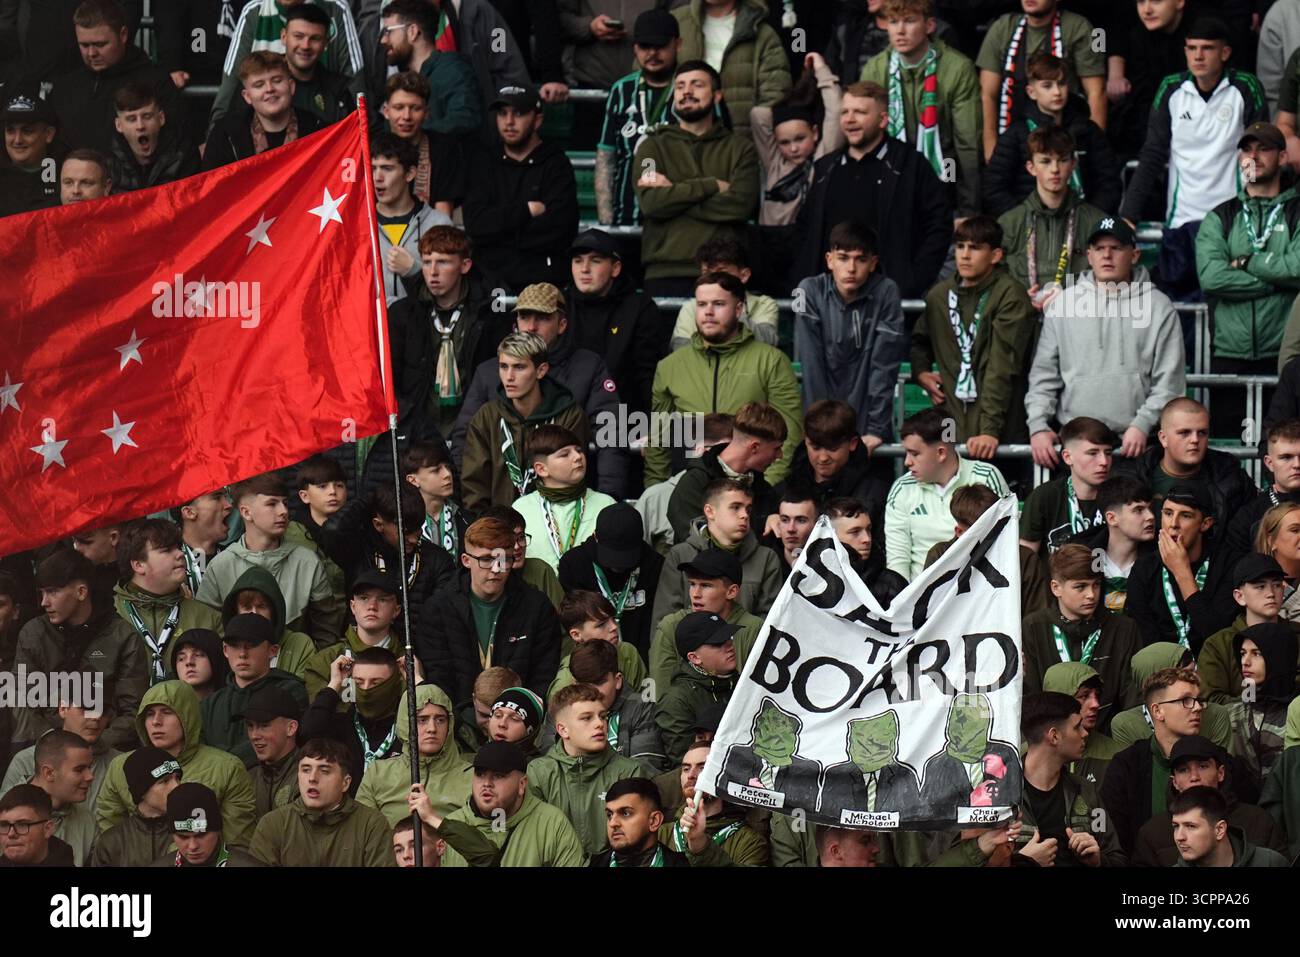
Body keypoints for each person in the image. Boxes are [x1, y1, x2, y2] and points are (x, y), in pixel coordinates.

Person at [1120, 18, 1267, 302]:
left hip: (1230, 222)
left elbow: (1254, 154)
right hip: (1181, 222)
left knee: (1223, 307)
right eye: (1191, 48)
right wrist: (1129, 214)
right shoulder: (1171, 89)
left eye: (1207, 48)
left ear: (1225, 53)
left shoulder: (1246, 87)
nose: (1198, 56)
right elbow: (1152, 154)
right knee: (1180, 311)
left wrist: (1254, 207)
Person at [1026, 217, 1186, 466]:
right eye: (1099, 249)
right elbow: (1043, 376)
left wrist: (1143, 424)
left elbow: (1170, 384)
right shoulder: (1064, 305)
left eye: (1116, 248)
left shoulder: (1159, 307)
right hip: (1076, 442)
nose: (1107, 255)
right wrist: (1037, 425)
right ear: (1089, 255)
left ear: (1134, 255)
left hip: (1135, 445)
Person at [452, 281, 628, 499]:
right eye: (524, 316)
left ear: (562, 324)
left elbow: (610, 433)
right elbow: (464, 439)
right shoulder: (489, 371)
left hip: (564, 503)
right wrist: (470, 509)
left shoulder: (588, 367)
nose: (531, 326)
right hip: (499, 509)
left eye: (542, 318)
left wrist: (609, 498)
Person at [795, 80, 951, 300]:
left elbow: (938, 225)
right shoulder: (825, 168)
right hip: (828, 302)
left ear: (883, 120)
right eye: (845, 112)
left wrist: (911, 282)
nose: (849, 119)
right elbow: (805, 229)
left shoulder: (911, 165)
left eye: (859, 112)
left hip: (889, 301)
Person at [645, 272, 803, 485]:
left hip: (752, 486)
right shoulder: (669, 366)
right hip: (690, 486)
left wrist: (766, 487)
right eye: (701, 304)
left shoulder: (772, 361)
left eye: (718, 304)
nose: (708, 312)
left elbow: (789, 433)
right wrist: (659, 489)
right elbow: (659, 438)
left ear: (739, 309)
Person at [1198, 122, 1300, 432]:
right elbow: (1212, 278)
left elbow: (1298, 268)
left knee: (1281, 447)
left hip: (1281, 353)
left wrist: (1247, 262)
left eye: (1263, 148)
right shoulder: (1220, 216)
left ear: (1282, 157)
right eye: (1247, 149)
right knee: (1228, 450)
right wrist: (1274, 282)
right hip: (1229, 353)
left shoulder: (1297, 211)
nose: (1252, 156)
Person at [913, 214, 1038, 457]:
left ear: (996, 255)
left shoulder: (1010, 295)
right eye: (960, 247)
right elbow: (920, 340)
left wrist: (989, 430)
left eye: (975, 248)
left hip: (1001, 430)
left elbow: (1002, 369)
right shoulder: (939, 296)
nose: (965, 255)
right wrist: (920, 371)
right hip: (953, 426)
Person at [634, 60, 761, 298]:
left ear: (717, 95)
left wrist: (673, 191)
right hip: (665, 272)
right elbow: (652, 203)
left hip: (724, 272)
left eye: (697, 85)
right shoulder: (651, 148)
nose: (687, 92)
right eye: (680, 86)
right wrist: (710, 186)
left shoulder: (741, 149)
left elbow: (740, 205)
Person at [415, 516, 562, 708]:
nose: (496, 569)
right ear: (466, 561)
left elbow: (543, 675)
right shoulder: (438, 608)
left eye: (504, 559)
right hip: (457, 722)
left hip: (520, 721)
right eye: (486, 559)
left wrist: (514, 716)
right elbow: (439, 675)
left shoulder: (537, 606)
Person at [11, 549, 147, 752]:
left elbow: (133, 711)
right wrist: (56, 744)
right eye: (41, 593)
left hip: (104, 749)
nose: (44, 602)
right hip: (46, 748)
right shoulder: (34, 633)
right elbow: (20, 701)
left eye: (53, 592)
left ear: (81, 592)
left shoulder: (122, 636)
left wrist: (92, 746)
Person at [96, 681, 257, 845]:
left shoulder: (226, 768)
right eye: (150, 714)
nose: (156, 721)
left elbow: (237, 843)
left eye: (167, 712)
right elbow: (111, 836)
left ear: (188, 717)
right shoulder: (121, 767)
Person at [860, 0, 981, 219]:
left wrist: (968, 211)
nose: (900, 30)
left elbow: (967, 144)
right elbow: (866, 137)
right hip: (889, 177)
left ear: (930, 26)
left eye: (909, 21)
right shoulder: (875, 68)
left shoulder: (957, 68)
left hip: (943, 174)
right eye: (893, 22)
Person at [196, 472, 344, 649]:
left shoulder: (307, 561)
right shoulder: (220, 566)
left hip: (295, 667)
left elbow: (327, 631)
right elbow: (207, 633)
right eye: (272, 504)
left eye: (285, 503)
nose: (283, 511)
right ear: (246, 512)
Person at [794, 220, 905, 454]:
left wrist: (875, 429)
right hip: (820, 425)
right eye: (843, 258)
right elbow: (811, 365)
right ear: (829, 260)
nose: (851, 268)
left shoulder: (886, 291)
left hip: (868, 424)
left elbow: (883, 366)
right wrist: (821, 427)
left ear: (873, 263)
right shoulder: (808, 290)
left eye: (860, 259)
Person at [461, 83, 578, 291]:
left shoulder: (556, 163)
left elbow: (562, 229)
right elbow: (475, 224)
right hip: (491, 282)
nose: (509, 122)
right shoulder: (484, 161)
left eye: (518, 113)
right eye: (502, 114)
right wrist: (527, 211)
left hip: (543, 281)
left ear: (538, 119)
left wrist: (500, 233)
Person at [392, 225, 505, 438]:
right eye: (426, 262)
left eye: (443, 262)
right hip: (418, 429)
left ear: (465, 265)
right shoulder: (403, 313)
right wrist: (409, 424)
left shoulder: (487, 314)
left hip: (472, 428)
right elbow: (391, 378)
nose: (433, 272)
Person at [461, 332, 592, 512]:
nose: (509, 376)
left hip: (556, 521)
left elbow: (572, 478)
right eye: (503, 366)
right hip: (499, 529)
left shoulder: (569, 416)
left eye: (519, 367)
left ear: (541, 370)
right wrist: (488, 530)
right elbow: (474, 486)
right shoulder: (487, 416)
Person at [983, 52, 1121, 216]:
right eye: (1047, 86)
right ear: (1031, 92)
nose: (1057, 92)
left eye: (1061, 83)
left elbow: (1109, 183)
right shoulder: (1016, 134)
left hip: (1082, 227)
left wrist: (1090, 220)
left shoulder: (1088, 131)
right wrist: (1024, 219)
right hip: (1030, 228)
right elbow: (993, 188)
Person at [409, 740, 587, 866]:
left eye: (499, 775)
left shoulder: (551, 824)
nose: (486, 783)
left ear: (522, 784)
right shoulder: (455, 823)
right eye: (480, 774)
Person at [1103, 666, 1223, 854]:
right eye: (1186, 701)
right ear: (1158, 711)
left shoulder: (1221, 760)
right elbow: (1116, 842)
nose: (1198, 707)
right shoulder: (1127, 767)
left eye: (1199, 700)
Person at [1021, 545, 1141, 732]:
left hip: (1109, 742)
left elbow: (1132, 699)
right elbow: (1031, 698)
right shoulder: (1032, 627)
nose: (1091, 595)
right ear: (1056, 588)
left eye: (1096, 584)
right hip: (1051, 741)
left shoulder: (1123, 629)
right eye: (1080, 587)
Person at [884, 408, 1010, 580]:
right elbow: (897, 563)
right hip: (922, 597)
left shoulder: (987, 476)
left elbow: (1005, 543)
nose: (907, 461)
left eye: (915, 453)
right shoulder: (902, 488)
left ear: (941, 453)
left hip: (978, 590)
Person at [975, 0, 1106, 161]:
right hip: (1012, 140)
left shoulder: (1078, 27)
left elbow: (1096, 92)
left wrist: (1093, 152)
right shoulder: (1002, 28)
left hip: (1066, 143)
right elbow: (988, 95)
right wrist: (992, 150)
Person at [47, 0, 184, 154]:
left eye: (100, 44)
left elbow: (174, 151)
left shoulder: (156, 84)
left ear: (123, 34)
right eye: (84, 45)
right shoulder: (64, 88)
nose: (91, 53)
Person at [1133, 734, 1288, 866]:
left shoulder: (1258, 820)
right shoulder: (1152, 833)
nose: (1194, 777)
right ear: (1174, 781)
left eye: (1203, 766)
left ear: (1220, 773)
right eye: (1183, 770)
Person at [209, 0, 363, 132]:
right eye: (298, 36)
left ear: (325, 42)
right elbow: (229, 92)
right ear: (284, 37)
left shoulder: (336, 8)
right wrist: (214, 140)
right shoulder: (254, 12)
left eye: (314, 38)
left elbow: (357, 89)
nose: (305, 45)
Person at [526, 683, 643, 854]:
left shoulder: (629, 772)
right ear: (563, 730)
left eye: (603, 716)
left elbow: (634, 842)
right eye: (587, 718)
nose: (599, 724)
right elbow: (535, 842)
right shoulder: (539, 772)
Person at [996, 126, 1107, 301]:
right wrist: (1018, 300)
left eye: (1062, 160)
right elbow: (992, 281)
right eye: (1046, 161)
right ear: (1031, 167)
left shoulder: (1096, 221)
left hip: (1078, 319)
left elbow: (1111, 281)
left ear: (1073, 164)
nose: (1055, 169)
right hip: (1022, 320)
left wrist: (1075, 298)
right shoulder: (1009, 223)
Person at [1126, 484, 1239, 653]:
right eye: (1168, 513)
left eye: (1185, 515)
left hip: (1213, 667)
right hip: (1162, 669)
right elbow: (1144, 639)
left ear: (1205, 524)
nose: (1173, 524)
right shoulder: (1144, 568)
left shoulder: (1229, 564)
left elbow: (1217, 636)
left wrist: (1182, 572)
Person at [594, 8, 682, 227]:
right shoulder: (621, 90)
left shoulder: (692, 88)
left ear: (678, 44)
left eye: (660, 46)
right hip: (626, 216)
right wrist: (606, 220)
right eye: (645, 46)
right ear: (635, 47)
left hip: (678, 222)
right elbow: (606, 157)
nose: (652, 53)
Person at [1016, 692, 1126, 866]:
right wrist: (1023, 862)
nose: (1085, 734)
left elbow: (1116, 857)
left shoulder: (1086, 791)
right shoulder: (998, 795)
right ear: (1054, 736)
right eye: (1077, 727)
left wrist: (1098, 861)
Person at [248, 737, 394, 866]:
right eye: (306, 770)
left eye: (324, 771)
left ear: (345, 783)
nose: (312, 778)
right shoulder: (273, 825)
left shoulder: (371, 824)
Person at [113, 518, 224, 685]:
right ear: (138, 565)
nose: (180, 554)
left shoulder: (208, 617)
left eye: (178, 548)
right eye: (166, 550)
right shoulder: (109, 615)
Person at [655, 478, 783, 622]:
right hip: (689, 643)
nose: (745, 515)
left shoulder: (765, 559)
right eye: (735, 507)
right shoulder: (681, 555)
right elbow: (664, 622)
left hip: (746, 643)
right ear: (710, 512)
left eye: (748, 509)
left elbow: (770, 622)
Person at [1125, 397, 1258, 533]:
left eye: (1202, 433)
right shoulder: (1134, 480)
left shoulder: (1232, 480)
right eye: (1184, 433)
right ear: (1163, 438)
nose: (1195, 440)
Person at [565, 228, 662, 413]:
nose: (584, 269)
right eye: (578, 261)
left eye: (595, 260)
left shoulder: (640, 309)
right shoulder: (559, 307)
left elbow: (647, 376)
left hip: (625, 419)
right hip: (568, 418)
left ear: (615, 268)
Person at [750, 52, 845, 233]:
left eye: (800, 139)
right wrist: (788, 106)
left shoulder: (822, 157)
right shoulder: (774, 162)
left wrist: (820, 69)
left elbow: (836, 110)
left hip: (805, 241)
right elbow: (758, 115)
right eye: (784, 142)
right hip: (769, 242)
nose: (793, 148)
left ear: (815, 133)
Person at [670, 0, 791, 140]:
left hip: (740, 144)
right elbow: (649, 76)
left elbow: (775, 92)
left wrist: (749, 141)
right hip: (679, 142)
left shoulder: (761, 32)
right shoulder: (677, 21)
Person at [667, 401, 785, 545]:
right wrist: (760, 524)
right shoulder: (693, 486)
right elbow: (701, 547)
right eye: (776, 448)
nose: (780, 455)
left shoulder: (763, 490)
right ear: (754, 447)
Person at [923, 482, 1050, 614]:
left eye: (997, 527)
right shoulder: (940, 555)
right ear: (960, 532)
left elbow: (1035, 619)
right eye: (984, 533)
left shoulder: (1024, 559)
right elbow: (927, 614)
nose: (994, 537)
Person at [557, 504, 663, 661]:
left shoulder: (654, 564)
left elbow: (656, 622)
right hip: (592, 659)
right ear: (596, 537)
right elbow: (572, 624)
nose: (619, 565)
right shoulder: (574, 565)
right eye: (612, 556)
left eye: (626, 557)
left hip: (641, 657)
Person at [648, 548, 764, 692]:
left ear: (731, 591)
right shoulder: (670, 627)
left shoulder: (755, 630)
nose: (695, 594)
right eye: (692, 584)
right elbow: (661, 695)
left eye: (706, 585)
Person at [201, 614, 309, 767]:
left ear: (273, 651)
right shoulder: (210, 703)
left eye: (251, 645)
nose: (242, 654)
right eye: (235, 645)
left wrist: (224, 765)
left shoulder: (291, 691)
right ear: (225, 650)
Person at [357, 683, 471, 827]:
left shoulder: (472, 777)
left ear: (450, 724)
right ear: (405, 724)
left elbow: (482, 840)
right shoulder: (379, 774)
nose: (432, 729)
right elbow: (362, 834)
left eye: (440, 720)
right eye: (422, 720)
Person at [546, 638, 665, 774]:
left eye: (599, 682)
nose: (591, 691)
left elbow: (647, 770)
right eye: (583, 684)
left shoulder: (641, 707)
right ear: (574, 682)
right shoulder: (560, 708)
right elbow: (549, 767)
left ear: (618, 680)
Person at [513, 425, 617, 572]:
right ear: (542, 469)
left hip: (591, 593)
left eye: (579, 450)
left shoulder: (606, 505)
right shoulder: (521, 508)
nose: (577, 457)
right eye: (564, 454)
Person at [299, 647, 405, 790]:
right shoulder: (342, 725)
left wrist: (416, 682)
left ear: (394, 683)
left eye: (376, 683)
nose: (366, 690)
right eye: (359, 682)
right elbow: (308, 732)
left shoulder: (407, 726)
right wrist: (334, 684)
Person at [201, 51, 326, 169]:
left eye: (277, 81)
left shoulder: (318, 130)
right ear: (247, 96)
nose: (269, 89)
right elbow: (211, 187)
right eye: (259, 85)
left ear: (291, 87)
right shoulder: (225, 134)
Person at [376, 0, 482, 136]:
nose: (383, 40)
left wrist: (412, 134)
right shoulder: (402, 81)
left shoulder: (453, 70)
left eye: (388, 32)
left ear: (412, 32)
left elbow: (465, 120)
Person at [372, 131, 453, 305]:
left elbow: (453, 293)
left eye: (387, 168)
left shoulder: (438, 224)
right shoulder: (359, 224)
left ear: (409, 174)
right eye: (373, 168)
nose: (377, 177)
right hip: (372, 330)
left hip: (423, 329)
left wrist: (413, 270)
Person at [1199, 554, 1293, 704]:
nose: (1270, 594)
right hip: (1238, 726)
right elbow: (1211, 701)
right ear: (1239, 596)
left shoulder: (1296, 635)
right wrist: (1262, 709)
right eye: (1260, 587)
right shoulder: (1218, 645)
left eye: (1276, 585)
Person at [658, 740, 769, 864]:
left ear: (724, 776)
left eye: (703, 767)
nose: (691, 775)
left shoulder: (749, 842)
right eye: (686, 768)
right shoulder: (661, 834)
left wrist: (701, 845)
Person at [636, 413, 733, 556]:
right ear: (700, 450)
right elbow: (636, 560)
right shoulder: (655, 498)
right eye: (724, 451)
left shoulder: (748, 495)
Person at [1109, 643, 1236, 752]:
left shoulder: (1214, 714)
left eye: (1194, 671)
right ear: (1156, 682)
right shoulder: (1127, 725)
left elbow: (1223, 773)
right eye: (1185, 675)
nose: (1196, 680)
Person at [1, 704, 119, 816]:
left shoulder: (119, 763)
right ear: (63, 708)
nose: (95, 716)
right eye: (87, 707)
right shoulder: (25, 760)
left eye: (103, 710)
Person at [1019, 417, 1114, 556]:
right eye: (1093, 453)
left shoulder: (1120, 496)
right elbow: (1025, 560)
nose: (1104, 461)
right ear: (1067, 457)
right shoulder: (1045, 497)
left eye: (1108, 453)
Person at [303, 570, 402, 701]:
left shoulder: (406, 663)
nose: (372, 606)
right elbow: (316, 718)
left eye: (382, 599)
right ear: (353, 606)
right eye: (364, 598)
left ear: (396, 610)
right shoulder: (325, 661)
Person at [667, 237, 781, 351]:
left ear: (744, 275)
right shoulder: (691, 307)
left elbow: (767, 345)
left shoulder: (763, 304)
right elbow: (681, 351)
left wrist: (733, 307)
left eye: (721, 273)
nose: (713, 281)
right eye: (706, 274)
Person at [656, 612, 740, 765]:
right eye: (718, 643)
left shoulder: (742, 682)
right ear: (694, 658)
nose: (729, 646)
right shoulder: (676, 701)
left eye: (729, 637)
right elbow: (685, 762)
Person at [1224, 623, 1297, 791]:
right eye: (1242, 654)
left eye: (1256, 653)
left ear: (1278, 657)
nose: (1245, 662)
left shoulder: (1296, 711)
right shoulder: (1233, 712)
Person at [381, 72, 464, 215]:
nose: (406, 116)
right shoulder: (372, 150)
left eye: (415, 108)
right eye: (399, 107)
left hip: (429, 234)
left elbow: (443, 213)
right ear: (386, 111)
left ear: (426, 112)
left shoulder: (444, 148)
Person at [86, 745, 180, 867]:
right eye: (165, 781)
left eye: (177, 778)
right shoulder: (112, 842)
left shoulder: (190, 835)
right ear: (141, 791)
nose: (176, 786)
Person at [217, 567, 316, 683]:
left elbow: (303, 693)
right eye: (247, 607)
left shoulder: (300, 644)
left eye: (261, 606)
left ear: (274, 610)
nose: (254, 613)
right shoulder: (227, 645)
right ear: (236, 612)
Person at [14, 730, 97, 865]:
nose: (90, 776)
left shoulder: (87, 820)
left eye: (89, 767)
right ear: (49, 773)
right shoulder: (3, 815)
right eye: (79, 769)